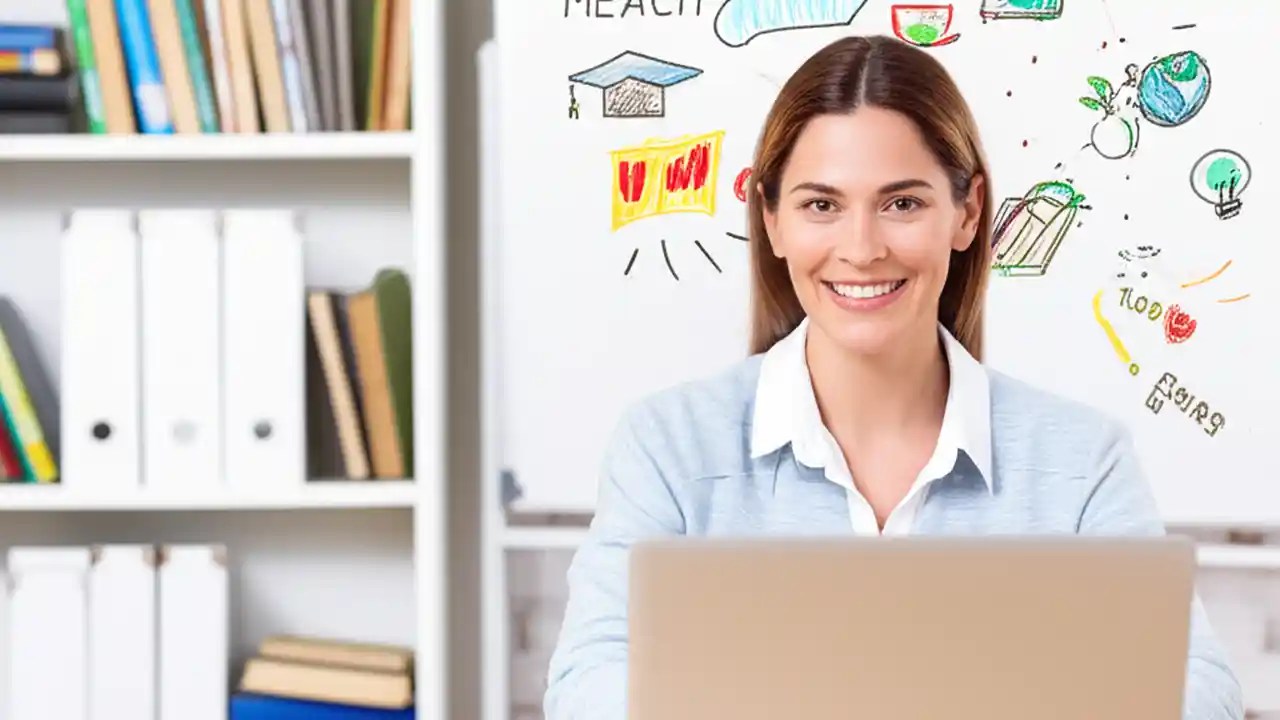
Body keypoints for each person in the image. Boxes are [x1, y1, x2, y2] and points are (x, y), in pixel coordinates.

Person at [543, 35, 1243, 720]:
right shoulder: (669, 446)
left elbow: (1197, 688)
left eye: (902, 203)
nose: (862, 248)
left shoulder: (1082, 461)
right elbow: (586, 685)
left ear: (967, 213)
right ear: (773, 220)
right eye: (822, 205)